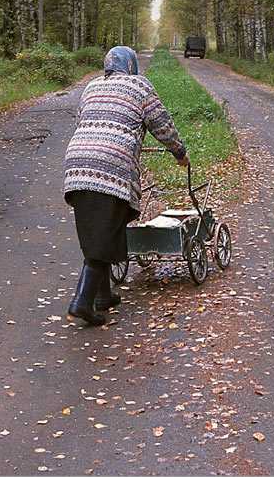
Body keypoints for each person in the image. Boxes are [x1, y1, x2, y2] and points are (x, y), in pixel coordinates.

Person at [63, 46, 189, 325]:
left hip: (77, 165)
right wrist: (180, 152)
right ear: (131, 65)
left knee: (98, 231)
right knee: (104, 232)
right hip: (112, 166)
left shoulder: (91, 87)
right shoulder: (139, 86)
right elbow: (161, 125)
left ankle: (102, 297)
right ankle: (81, 302)